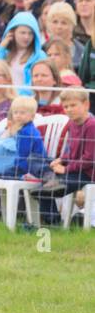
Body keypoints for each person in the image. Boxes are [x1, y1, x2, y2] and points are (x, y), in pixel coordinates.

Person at [33, 87, 95, 224]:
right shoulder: (72, 123)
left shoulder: (92, 125)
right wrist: (61, 159)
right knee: (33, 158)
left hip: (86, 174)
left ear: (86, 104)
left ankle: (52, 221)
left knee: (42, 191)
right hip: (72, 169)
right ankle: (50, 177)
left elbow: (90, 159)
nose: (69, 109)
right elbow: (71, 151)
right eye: (66, 106)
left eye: (73, 105)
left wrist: (65, 169)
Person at [0, 10, 44, 96]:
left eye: (30, 33)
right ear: (12, 33)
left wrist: (16, 96)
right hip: (3, 100)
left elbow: (35, 85)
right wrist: (1, 47)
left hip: (24, 102)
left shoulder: (40, 56)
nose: (26, 37)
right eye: (23, 33)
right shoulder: (5, 52)